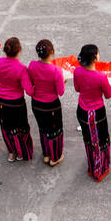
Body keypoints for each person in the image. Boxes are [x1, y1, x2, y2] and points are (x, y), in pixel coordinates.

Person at [73, 43, 111, 181]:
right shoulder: (101, 77)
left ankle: (92, 167)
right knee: (100, 140)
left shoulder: (77, 71)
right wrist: (110, 86)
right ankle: (99, 170)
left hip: (82, 110)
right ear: (95, 59)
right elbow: (108, 95)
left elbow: (77, 89)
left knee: (89, 139)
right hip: (96, 113)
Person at [0, 37, 35, 162]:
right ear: (19, 50)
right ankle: (21, 152)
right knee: (20, 128)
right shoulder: (21, 68)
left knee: (5, 128)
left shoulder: (0, 62)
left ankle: (11, 152)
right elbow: (30, 91)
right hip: (15, 104)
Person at [28, 38, 67, 167]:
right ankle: (55, 157)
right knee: (55, 131)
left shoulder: (32, 65)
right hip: (51, 106)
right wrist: (63, 80)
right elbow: (60, 92)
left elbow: (32, 81)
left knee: (43, 128)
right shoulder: (56, 71)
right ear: (52, 52)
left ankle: (46, 154)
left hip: (37, 104)